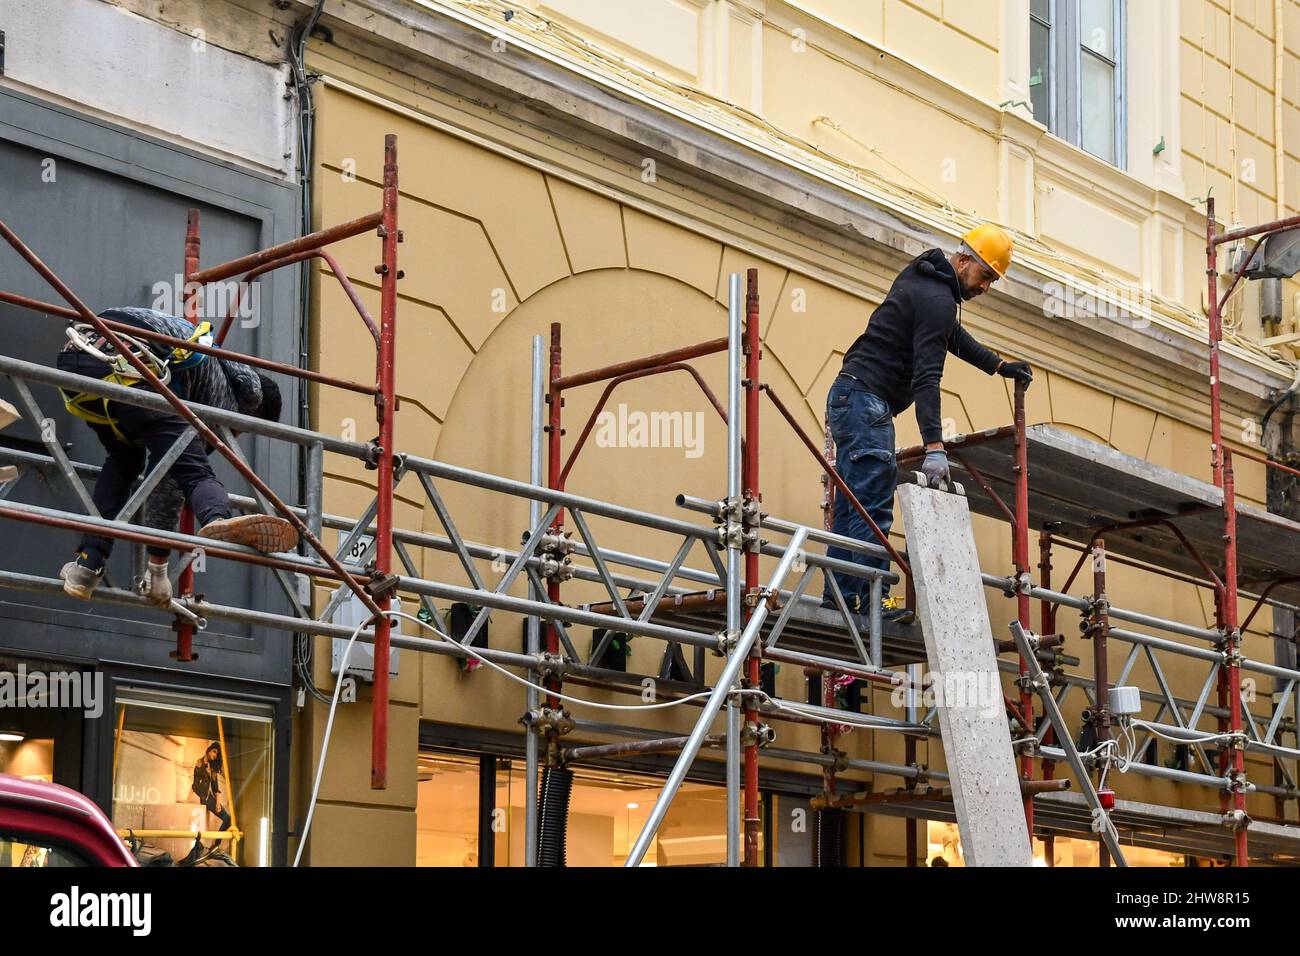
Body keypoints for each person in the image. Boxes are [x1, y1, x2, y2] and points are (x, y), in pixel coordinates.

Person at [824, 224, 1034, 621]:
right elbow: (926, 378)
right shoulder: (938, 298)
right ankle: (871, 602)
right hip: (866, 399)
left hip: (851, 396)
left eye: (992, 280)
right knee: (872, 503)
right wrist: (934, 446)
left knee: (854, 503)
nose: (985, 287)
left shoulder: (924, 278)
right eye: (985, 275)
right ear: (963, 259)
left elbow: (950, 335)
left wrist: (998, 366)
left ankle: (838, 595)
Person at [55, 307, 298, 602]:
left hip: (75, 361)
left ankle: (87, 565)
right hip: (127, 367)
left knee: (124, 461)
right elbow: (168, 482)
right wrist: (158, 570)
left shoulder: (208, 363)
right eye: (245, 429)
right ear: (253, 413)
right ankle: (217, 518)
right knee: (194, 471)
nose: (237, 437)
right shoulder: (233, 397)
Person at [192, 742, 231, 838]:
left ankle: (216, 842)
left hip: (211, 798)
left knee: (228, 818)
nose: (215, 755)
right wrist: (203, 796)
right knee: (227, 818)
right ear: (209, 750)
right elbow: (195, 786)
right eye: (214, 751)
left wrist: (218, 802)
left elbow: (215, 787)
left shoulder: (213, 767)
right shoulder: (200, 763)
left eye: (217, 754)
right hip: (205, 798)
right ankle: (216, 843)